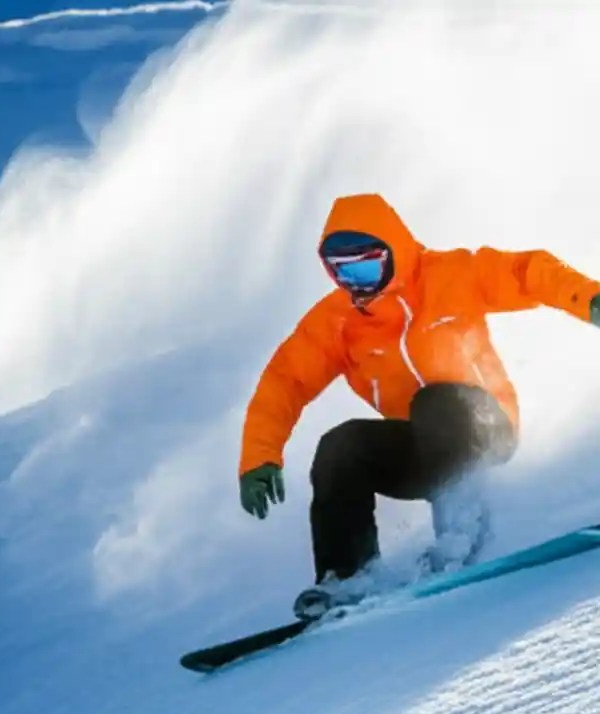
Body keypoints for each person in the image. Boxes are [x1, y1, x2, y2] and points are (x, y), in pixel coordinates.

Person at [236, 192, 600, 617]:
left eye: (365, 268)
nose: (356, 284)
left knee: (435, 400)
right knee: (342, 444)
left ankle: (462, 527)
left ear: (392, 251)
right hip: (425, 453)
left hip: (485, 428)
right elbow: (286, 380)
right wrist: (259, 457)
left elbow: (526, 272)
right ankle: (348, 576)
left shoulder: (451, 274)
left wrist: (587, 298)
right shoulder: (338, 322)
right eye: (341, 272)